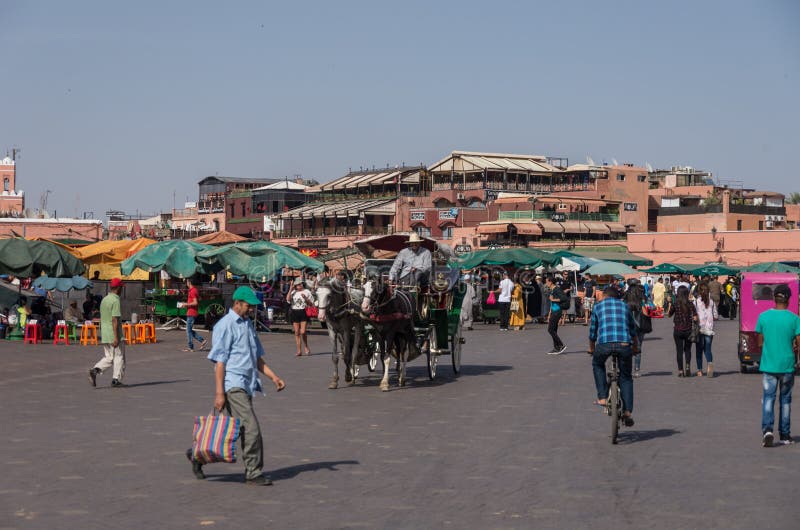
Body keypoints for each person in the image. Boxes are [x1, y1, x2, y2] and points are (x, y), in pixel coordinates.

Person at [192, 286, 286, 484]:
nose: (251, 309)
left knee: (237, 430)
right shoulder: (225, 325)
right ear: (236, 303)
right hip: (233, 384)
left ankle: (197, 455)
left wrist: (273, 377)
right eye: (248, 306)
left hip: (247, 383)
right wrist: (219, 393)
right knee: (251, 428)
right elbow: (220, 362)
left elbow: (257, 358)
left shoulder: (247, 324)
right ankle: (253, 472)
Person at [755, 284, 800, 447]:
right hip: (787, 365)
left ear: (774, 298)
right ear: (788, 299)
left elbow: (760, 342)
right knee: (785, 400)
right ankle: (785, 435)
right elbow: (798, 343)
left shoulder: (763, 317)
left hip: (768, 365)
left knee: (768, 398)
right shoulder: (795, 319)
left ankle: (767, 430)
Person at [588, 285, 638, 427]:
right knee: (626, 377)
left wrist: (591, 349)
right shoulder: (625, 306)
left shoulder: (598, 307)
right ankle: (627, 411)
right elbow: (633, 331)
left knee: (597, 364)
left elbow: (593, 332)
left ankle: (603, 397)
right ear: (617, 296)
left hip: (604, 345)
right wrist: (635, 348)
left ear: (604, 295)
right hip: (624, 344)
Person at [88, 278, 125, 388]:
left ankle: (95, 370)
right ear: (118, 288)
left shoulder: (105, 299)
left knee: (109, 357)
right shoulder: (115, 300)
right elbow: (114, 319)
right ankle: (116, 379)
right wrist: (116, 337)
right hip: (113, 333)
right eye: (121, 287)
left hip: (104, 332)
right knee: (119, 356)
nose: (122, 289)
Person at [669, 285, 698, 377]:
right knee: (688, 350)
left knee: (679, 351)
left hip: (678, 330)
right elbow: (696, 318)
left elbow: (669, 314)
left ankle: (681, 371)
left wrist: (669, 303)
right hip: (688, 330)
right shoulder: (690, 304)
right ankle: (688, 367)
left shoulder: (675, 304)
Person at [693, 282, 718, 377]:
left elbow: (694, 314)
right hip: (709, 329)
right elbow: (715, 315)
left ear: (699, 291)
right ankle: (709, 363)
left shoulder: (696, 301)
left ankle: (699, 370)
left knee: (699, 350)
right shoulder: (711, 302)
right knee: (708, 349)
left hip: (699, 328)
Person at [624, 281, 648, 377]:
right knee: (638, 348)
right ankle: (637, 370)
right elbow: (650, 307)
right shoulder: (642, 297)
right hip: (640, 326)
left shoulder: (626, 296)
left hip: (628, 326)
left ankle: (627, 369)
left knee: (627, 348)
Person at [286, 277, 313, 356]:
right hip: (294, 312)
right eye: (297, 285)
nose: (299, 286)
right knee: (297, 332)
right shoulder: (293, 292)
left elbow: (311, 304)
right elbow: (288, 300)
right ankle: (299, 350)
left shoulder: (307, 292)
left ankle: (306, 346)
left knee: (303, 331)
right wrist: (290, 289)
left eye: (300, 284)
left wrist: (305, 298)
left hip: (303, 311)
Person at [183, 277, 208, 352]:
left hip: (192, 312)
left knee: (188, 330)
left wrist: (186, 304)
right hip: (191, 312)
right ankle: (202, 340)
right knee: (189, 330)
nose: (186, 283)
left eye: (187, 282)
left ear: (189, 282)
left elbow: (195, 302)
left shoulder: (193, 291)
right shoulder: (193, 290)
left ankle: (191, 347)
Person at [544, 275, 567, 354]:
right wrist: (550, 313)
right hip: (554, 311)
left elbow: (564, 298)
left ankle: (561, 345)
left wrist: (554, 299)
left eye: (546, 281)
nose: (546, 283)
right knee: (553, 330)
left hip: (557, 311)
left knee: (550, 330)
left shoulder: (557, 289)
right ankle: (556, 348)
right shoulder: (552, 290)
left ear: (550, 282)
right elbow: (552, 303)